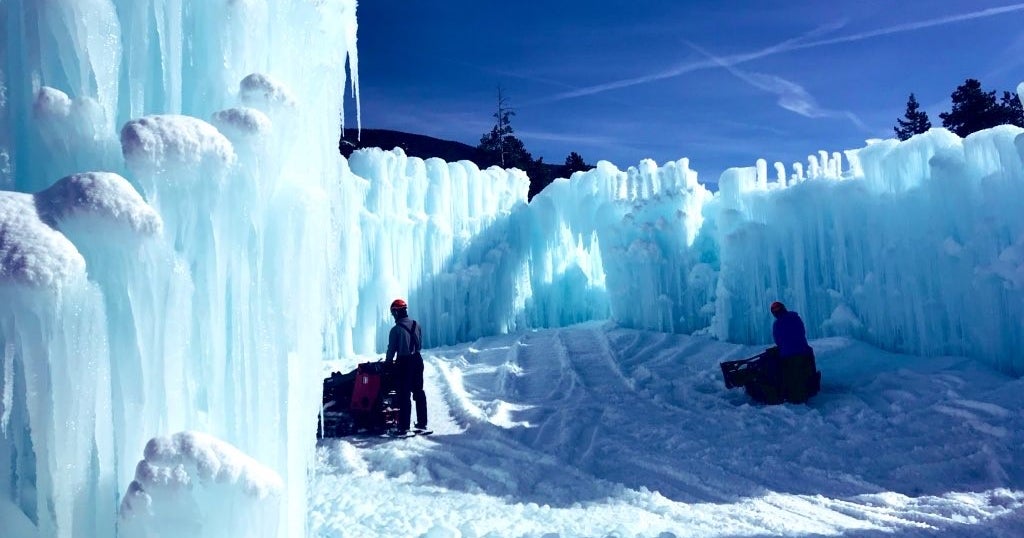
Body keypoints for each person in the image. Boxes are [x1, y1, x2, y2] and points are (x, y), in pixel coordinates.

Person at [386, 298, 427, 434]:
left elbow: (391, 350)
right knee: (419, 392)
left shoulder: (396, 330)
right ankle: (422, 424)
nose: (393, 316)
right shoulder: (417, 325)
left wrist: (387, 364)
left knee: (404, 395)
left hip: (404, 363)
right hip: (417, 360)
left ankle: (403, 427)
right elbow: (419, 345)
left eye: (393, 313)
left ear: (397, 312)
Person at [766, 301, 818, 403]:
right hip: (805, 352)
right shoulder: (796, 317)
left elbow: (778, 341)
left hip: (788, 356)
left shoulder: (777, 324)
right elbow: (802, 332)